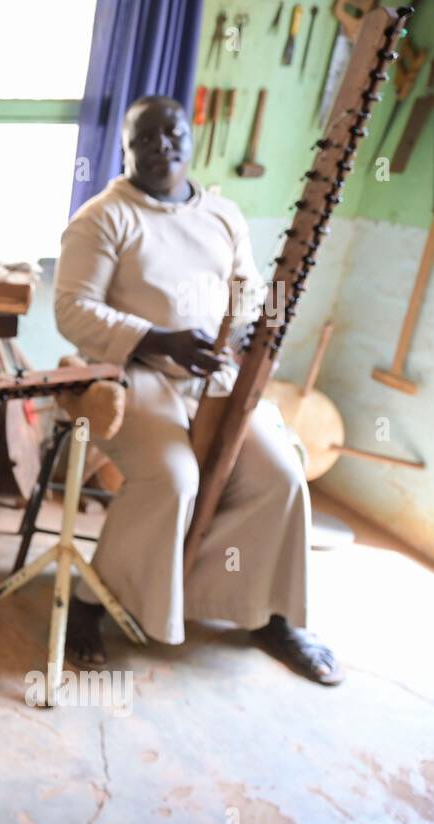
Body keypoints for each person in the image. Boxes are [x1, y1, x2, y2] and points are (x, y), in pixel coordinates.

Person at [53, 95, 342, 686]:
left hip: (214, 374)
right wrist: (157, 338)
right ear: (125, 149)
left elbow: (251, 292)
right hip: (135, 374)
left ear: (192, 139)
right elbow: (71, 311)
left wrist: (261, 335)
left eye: (173, 133)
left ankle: (261, 611)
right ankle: (93, 600)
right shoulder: (104, 217)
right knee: (173, 477)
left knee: (279, 475)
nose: (163, 147)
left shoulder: (223, 215)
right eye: (146, 138)